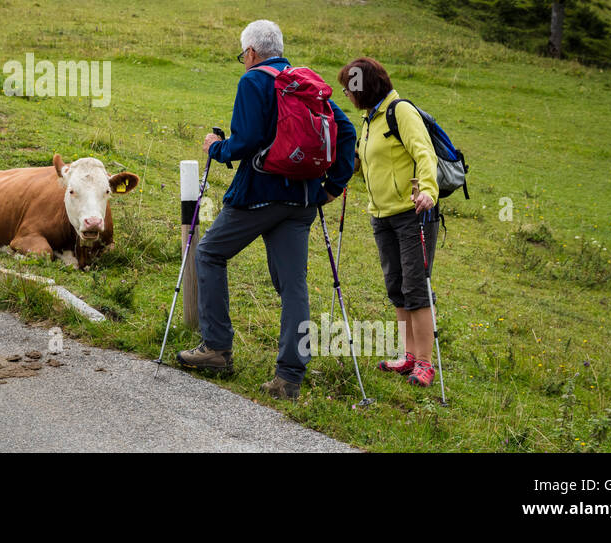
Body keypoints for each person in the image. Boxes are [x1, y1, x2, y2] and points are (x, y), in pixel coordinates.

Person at [177, 20, 356, 401]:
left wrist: (215, 148)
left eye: (243, 55)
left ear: (252, 53)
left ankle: (217, 349)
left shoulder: (253, 81)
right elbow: (347, 131)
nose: (244, 61)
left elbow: (246, 142)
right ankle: (289, 378)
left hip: (258, 196)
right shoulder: (304, 82)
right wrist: (333, 187)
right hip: (303, 200)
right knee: (294, 286)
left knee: (210, 252)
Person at [336, 57, 441, 387]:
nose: (346, 95)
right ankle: (407, 356)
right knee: (396, 287)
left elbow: (424, 153)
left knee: (415, 286)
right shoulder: (370, 118)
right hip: (381, 215)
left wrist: (427, 190)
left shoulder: (400, 112)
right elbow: (367, 160)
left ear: (363, 87)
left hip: (412, 213)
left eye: (348, 88)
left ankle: (425, 363)